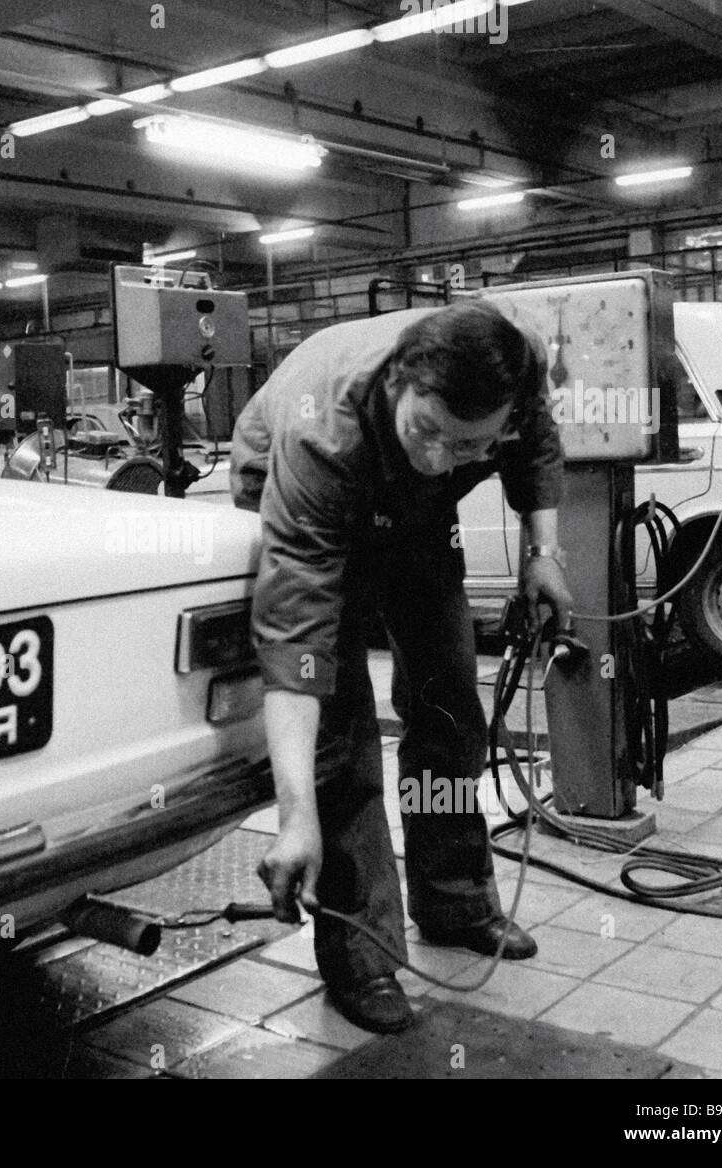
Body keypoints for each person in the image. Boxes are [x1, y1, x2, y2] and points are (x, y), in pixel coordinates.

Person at [230, 299, 574, 1034]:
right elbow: (297, 646)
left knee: (449, 700)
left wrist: (544, 555)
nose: (437, 458)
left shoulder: (517, 368)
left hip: (415, 519)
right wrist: (292, 819)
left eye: (466, 446)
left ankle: (453, 900)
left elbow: (537, 443)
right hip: (308, 492)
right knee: (342, 732)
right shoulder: (323, 437)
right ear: (403, 383)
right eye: (427, 431)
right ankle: (362, 950)